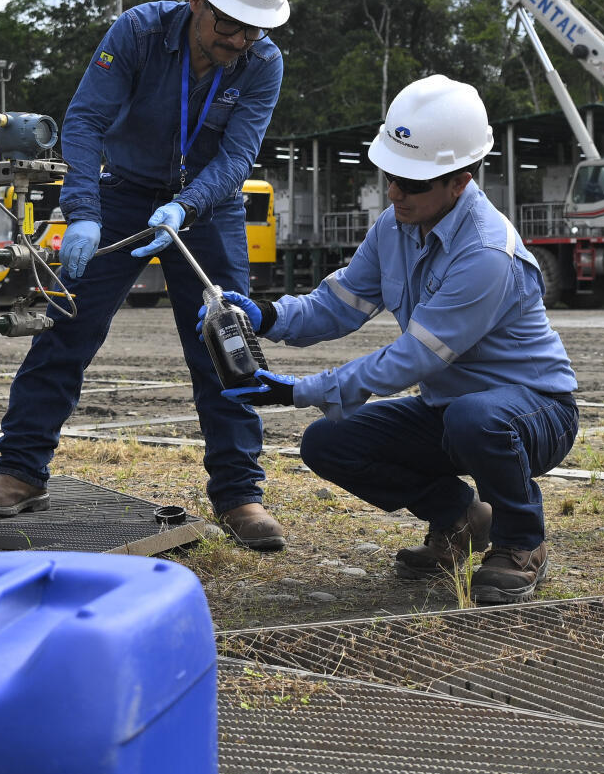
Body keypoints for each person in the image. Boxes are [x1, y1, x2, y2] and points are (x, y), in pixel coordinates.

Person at [0, 0, 292, 550]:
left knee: (224, 342)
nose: (238, 39)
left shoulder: (262, 63)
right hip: (119, 197)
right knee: (68, 327)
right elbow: (87, 119)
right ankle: (20, 471)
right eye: (227, 23)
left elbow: (237, 157)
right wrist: (84, 210)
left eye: (251, 26)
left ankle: (239, 494)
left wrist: (185, 206)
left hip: (208, 208)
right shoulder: (141, 31)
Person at [218, 76, 578, 605]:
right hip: (451, 410)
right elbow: (340, 303)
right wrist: (268, 316)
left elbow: (412, 357)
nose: (394, 192)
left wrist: (300, 390)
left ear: (461, 181)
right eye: (391, 176)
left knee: (475, 418)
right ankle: (460, 519)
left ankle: (521, 542)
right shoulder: (395, 225)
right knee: (329, 442)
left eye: (412, 183)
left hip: (533, 412)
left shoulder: (485, 252)